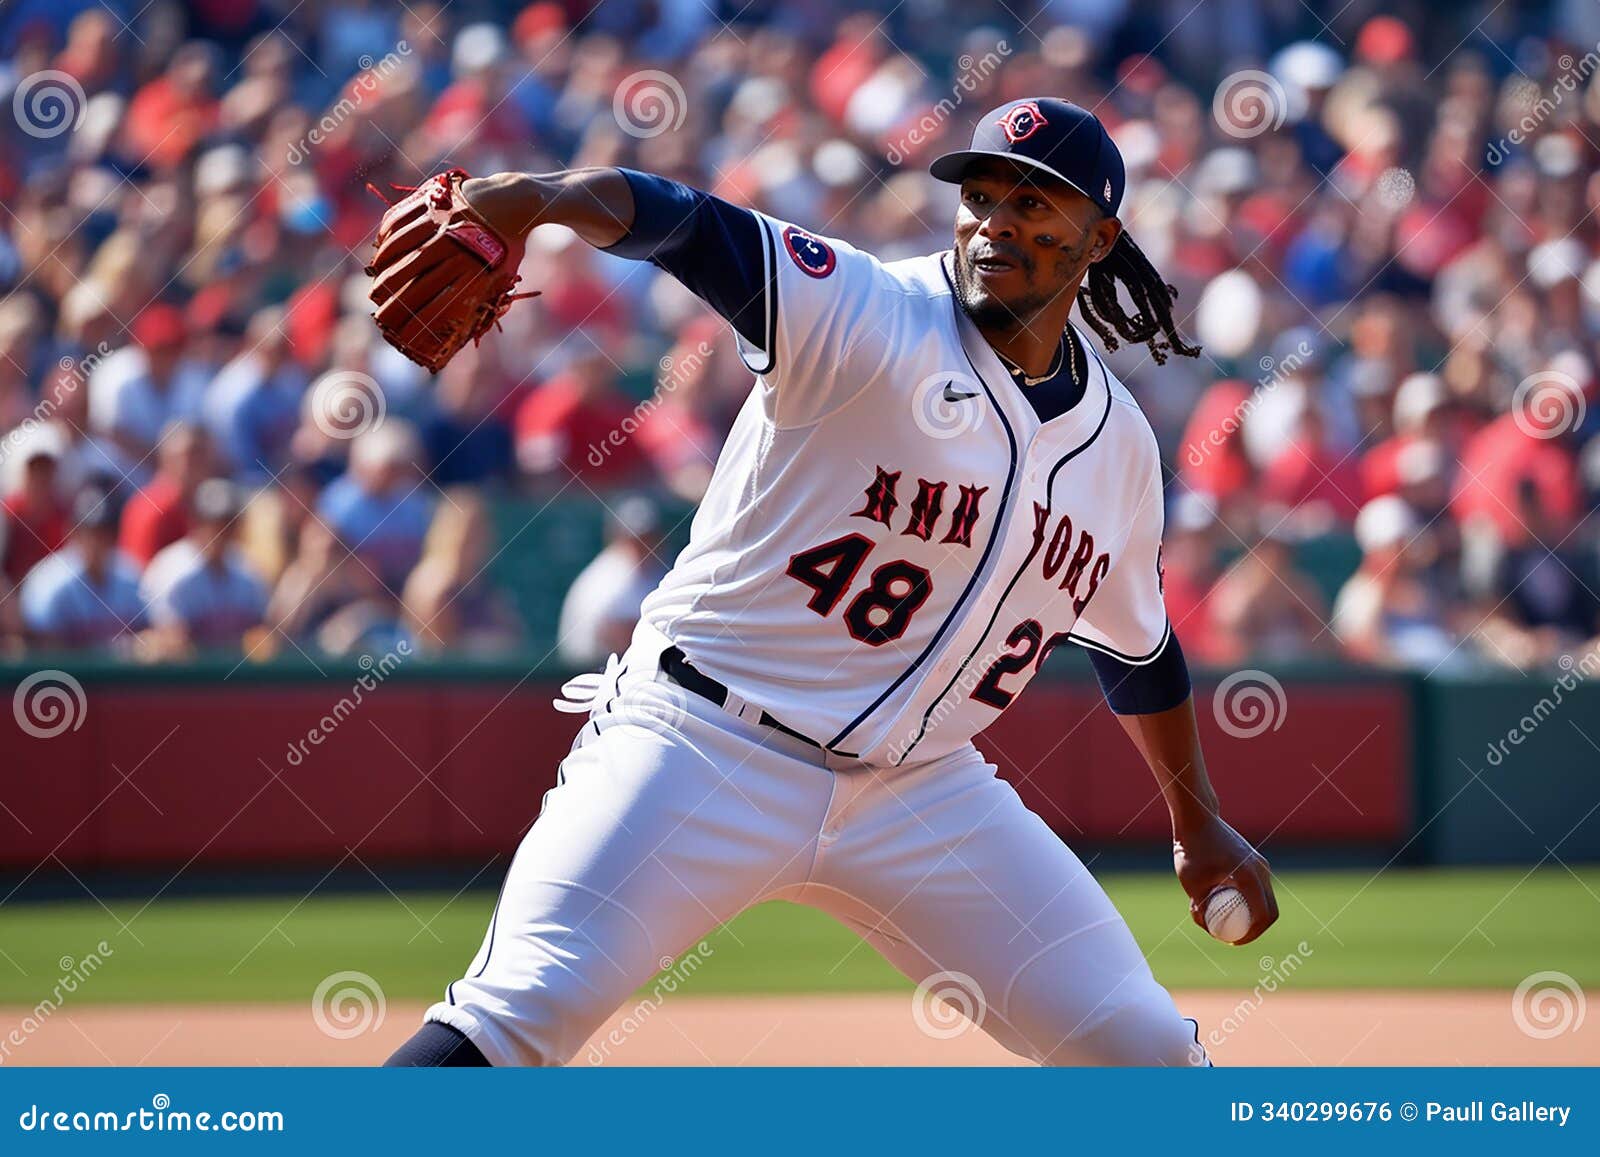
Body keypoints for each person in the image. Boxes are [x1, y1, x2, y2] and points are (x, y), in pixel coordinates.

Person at [385, 98, 1277, 1069]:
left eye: (1037, 202)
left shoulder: (1118, 446)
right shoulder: (864, 311)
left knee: (1147, 1050)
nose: (998, 221)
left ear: (1099, 236)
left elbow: (1137, 649)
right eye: (981, 196)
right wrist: (533, 196)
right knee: (515, 1015)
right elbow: (686, 222)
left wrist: (1197, 822)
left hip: (923, 791)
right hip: (699, 739)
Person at [139, 478, 269, 656]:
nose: (220, 533)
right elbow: (167, 639)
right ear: (196, 524)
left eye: (228, 525)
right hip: (183, 680)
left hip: (237, 680)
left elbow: (262, 634)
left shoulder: (248, 572)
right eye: (213, 524)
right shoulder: (172, 572)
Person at [19, 488, 145, 651]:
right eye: (90, 532)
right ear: (73, 533)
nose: (97, 542)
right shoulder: (49, 583)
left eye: (105, 533)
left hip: (120, 676)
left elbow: (148, 633)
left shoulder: (130, 576)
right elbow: (40, 647)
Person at [556, 495, 667, 666]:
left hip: (632, 670)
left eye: (649, 537)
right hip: (590, 671)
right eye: (635, 539)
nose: (644, 544)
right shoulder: (607, 577)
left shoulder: (656, 569)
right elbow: (615, 634)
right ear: (616, 536)